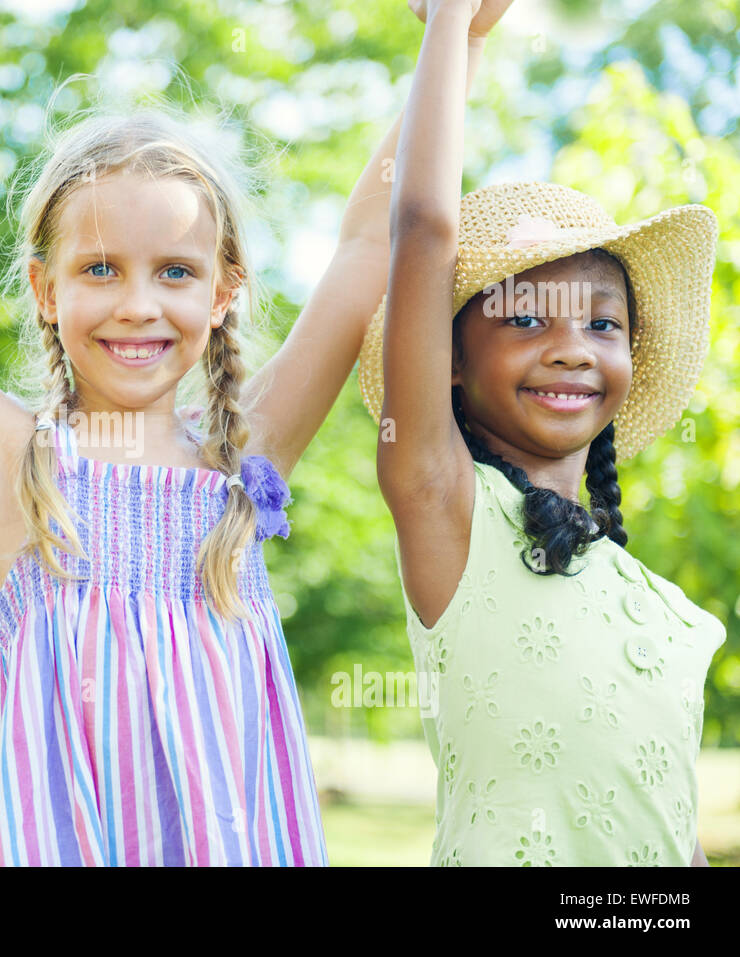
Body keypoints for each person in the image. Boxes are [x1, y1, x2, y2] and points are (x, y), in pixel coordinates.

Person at [0, 0, 508, 864]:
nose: (138, 304)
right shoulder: (2, 463)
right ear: (45, 290)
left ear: (222, 290)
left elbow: (369, 244)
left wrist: (459, 36)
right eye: (99, 269)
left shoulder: (247, 456)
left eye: (175, 270)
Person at [367, 0, 723, 865]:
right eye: (525, 319)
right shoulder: (447, 505)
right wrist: (453, 25)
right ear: (450, 359)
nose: (571, 349)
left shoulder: (658, 604)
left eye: (603, 325)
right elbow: (422, 231)